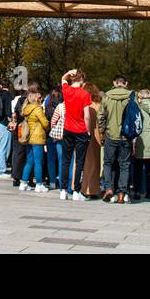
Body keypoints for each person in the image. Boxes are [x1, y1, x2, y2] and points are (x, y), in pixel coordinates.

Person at [95, 75, 134, 202]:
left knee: (108, 163)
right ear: (126, 83)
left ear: (114, 82)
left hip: (111, 134)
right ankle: (122, 193)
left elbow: (100, 116)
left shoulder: (107, 96)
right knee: (124, 165)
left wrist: (101, 131)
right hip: (126, 135)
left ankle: (109, 188)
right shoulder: (131, 96)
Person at [59, 69, 92, 201]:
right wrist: (88, 130)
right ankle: (76, 191)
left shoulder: (66, 90)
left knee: (65, 160)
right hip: (81, 130)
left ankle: (63, 190)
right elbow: (87, 116)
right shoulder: (84, 94)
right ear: (82, 80)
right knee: (79, 161)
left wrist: (68, 72)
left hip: (68, 129)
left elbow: (63, 79)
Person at [17, 88, 49, 191]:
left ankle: (23, 182)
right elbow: (45, 123)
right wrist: (48, 124)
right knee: (38, 162)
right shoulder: (37, 109)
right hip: (38, 138)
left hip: (28, 138)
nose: (40, 98)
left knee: (29, 161)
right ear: (35, 98)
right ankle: (39, 184)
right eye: (39, 97)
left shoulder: (27, 108)